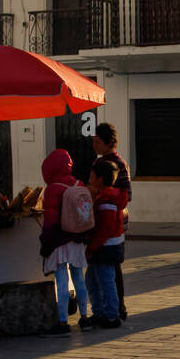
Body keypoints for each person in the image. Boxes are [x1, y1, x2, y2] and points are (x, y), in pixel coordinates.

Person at [39, 148, 89, 336]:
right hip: (77, 240)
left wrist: (46, 242)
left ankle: (62, 321)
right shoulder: (79, 183)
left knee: (61, 280)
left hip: (60, 241)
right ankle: (84, 317)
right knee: (79, 279)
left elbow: (50, 221)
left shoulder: (52, 189)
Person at [92, 123, 131, 320]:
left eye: (97, 141)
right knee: (110, 267)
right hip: (113, 218)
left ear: (107, 142)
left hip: (112, 219)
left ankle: (115, 308)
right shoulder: (107, 161)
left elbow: (126, 194)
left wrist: (104, 197)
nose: (94, 145)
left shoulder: (114, 164)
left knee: (110, 268)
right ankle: (113, 307)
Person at [86, 161, 125, 329]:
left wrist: (92, 247)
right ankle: (99, 312)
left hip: (106, 248)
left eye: (92, 176)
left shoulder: (107, 199)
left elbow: (106, 228)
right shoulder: (103, 197)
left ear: (100, 179)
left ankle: (111, 315)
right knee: (93, 280)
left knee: (105, 280)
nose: (89, 179)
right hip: (105, 246)